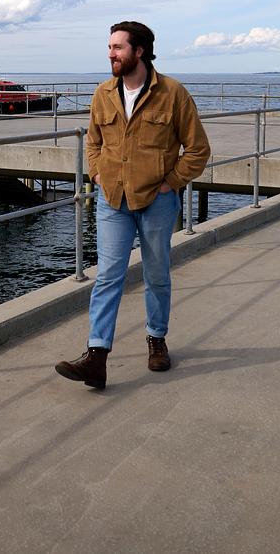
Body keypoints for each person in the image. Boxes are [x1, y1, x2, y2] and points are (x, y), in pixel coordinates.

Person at [55, 21, 210, 389]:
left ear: (139, 51)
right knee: (109, 276)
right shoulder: (103, 93)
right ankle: (96, 356)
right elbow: (94, 142)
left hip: (157, 201)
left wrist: (170, 184)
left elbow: (198, 150)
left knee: (156, 274)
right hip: (113, 200)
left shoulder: (173, 94)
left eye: (117, 47)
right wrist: (97, 173)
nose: (111, 53)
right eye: (109, 47)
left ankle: (157, 340)